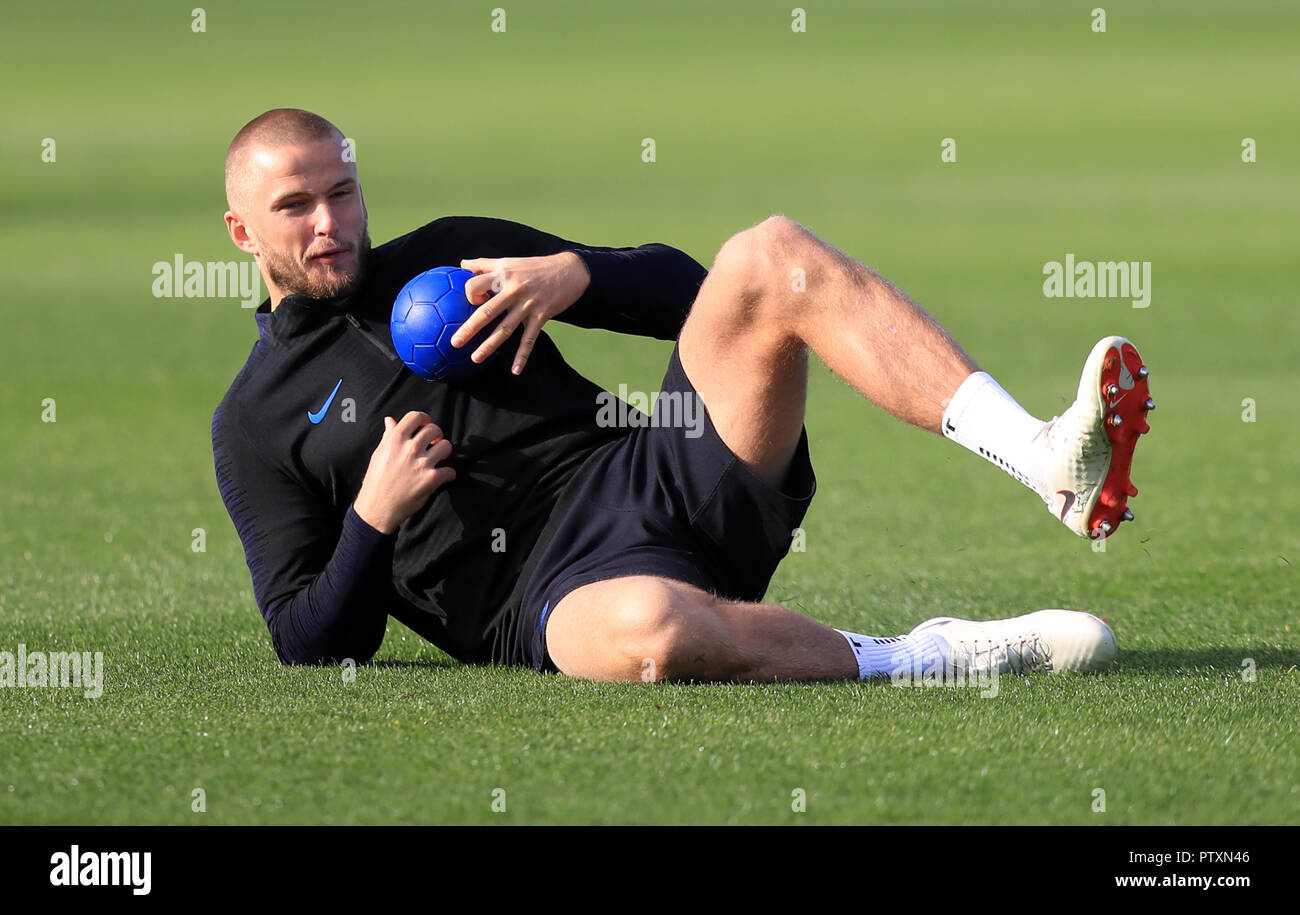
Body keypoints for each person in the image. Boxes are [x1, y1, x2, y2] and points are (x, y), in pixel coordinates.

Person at [213, 108, 1152, 684]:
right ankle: (935, 654)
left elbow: (702, 295)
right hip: (552, 596)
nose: (331, 223)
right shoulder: (253, 421)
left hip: (658, 471)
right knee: (655, 634)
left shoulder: (452, 253)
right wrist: (371, 519)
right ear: (242, 231)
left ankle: (1044, 456)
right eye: (296, 207)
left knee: (773, 254)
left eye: (343, 192)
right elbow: (311, 642)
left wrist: (577, 274)